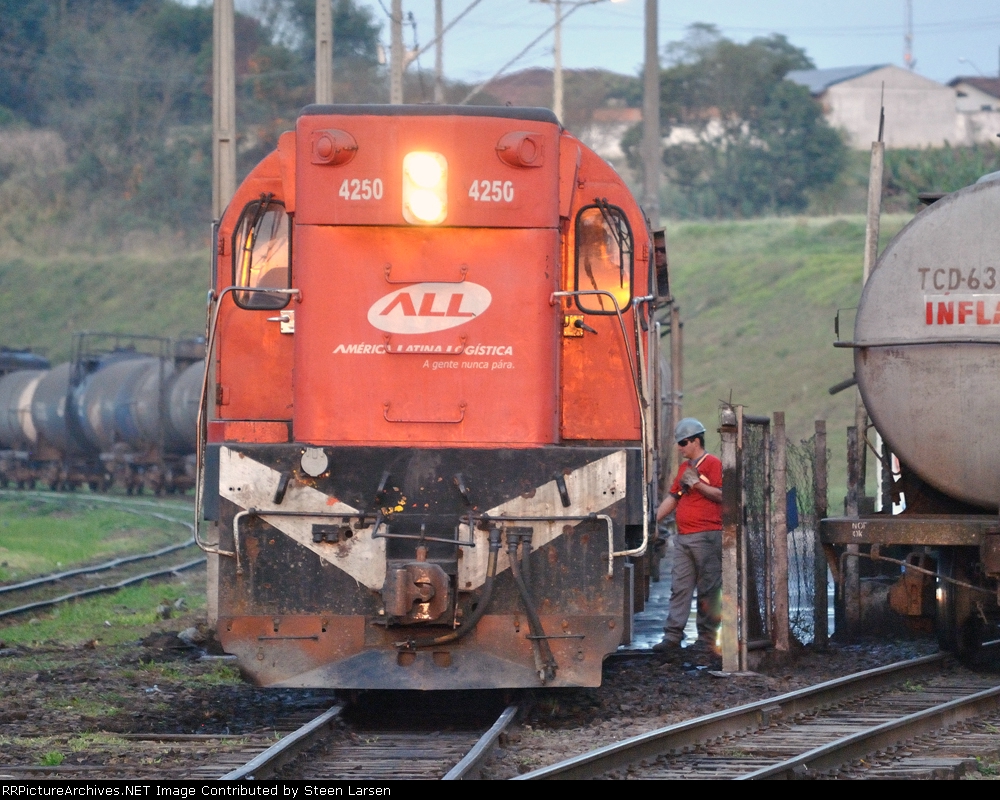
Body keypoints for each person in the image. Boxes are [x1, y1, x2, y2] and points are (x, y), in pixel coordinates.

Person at [652, 418, 723, 656]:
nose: (680, 447)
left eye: (683, 442)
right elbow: (674, 497)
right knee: (680, 588)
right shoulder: (685, 469)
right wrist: (652, 521)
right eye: (679, 443)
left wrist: (698, 485)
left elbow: (724, 495)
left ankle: (707, 639)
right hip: (684, 538)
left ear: (696, 440)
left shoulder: (713, 464)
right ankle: (672, 637)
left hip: (707, 536)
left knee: (708, 588)